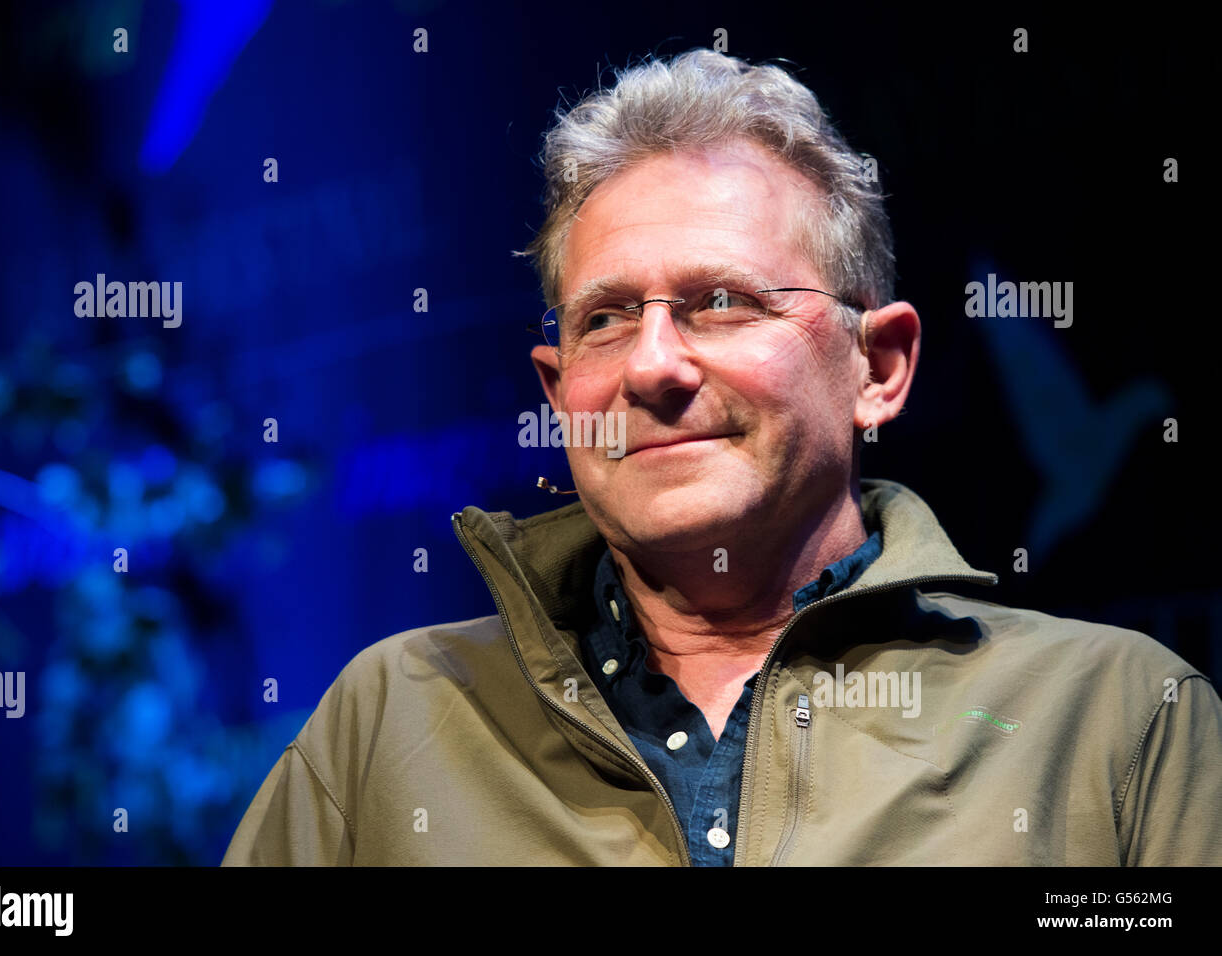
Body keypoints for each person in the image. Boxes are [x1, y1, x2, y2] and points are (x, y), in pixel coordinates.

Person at [222, 49, 1221, 865]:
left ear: (877, 365)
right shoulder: (387, 724)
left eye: (722, 302)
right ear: (556, 392)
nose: (652, 365)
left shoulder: (1115, 724)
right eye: (604, 319)